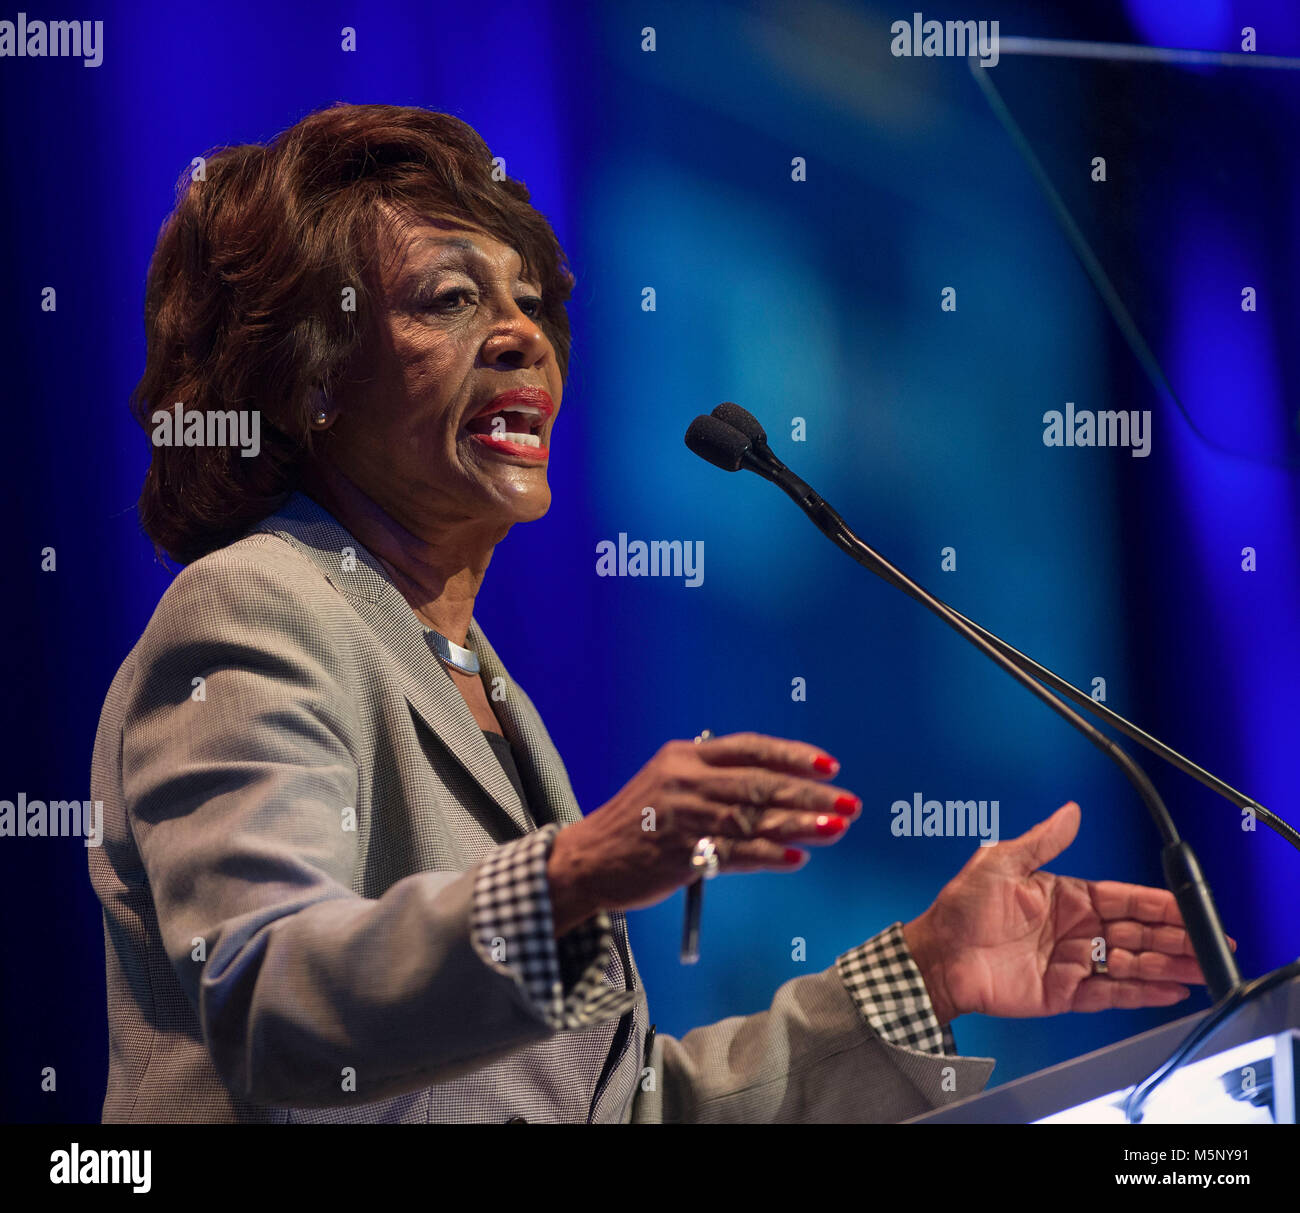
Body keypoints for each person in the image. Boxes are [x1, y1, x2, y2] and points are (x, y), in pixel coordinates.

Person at [89, 102, 1213, 1124]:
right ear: (308, 375)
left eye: (529, 301)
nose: (522, 333)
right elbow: (268, 999)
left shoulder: (482, 685)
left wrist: (923, 974)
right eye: (449, 298)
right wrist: (575, 872)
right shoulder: (254, 605)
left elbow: (625, 1112)